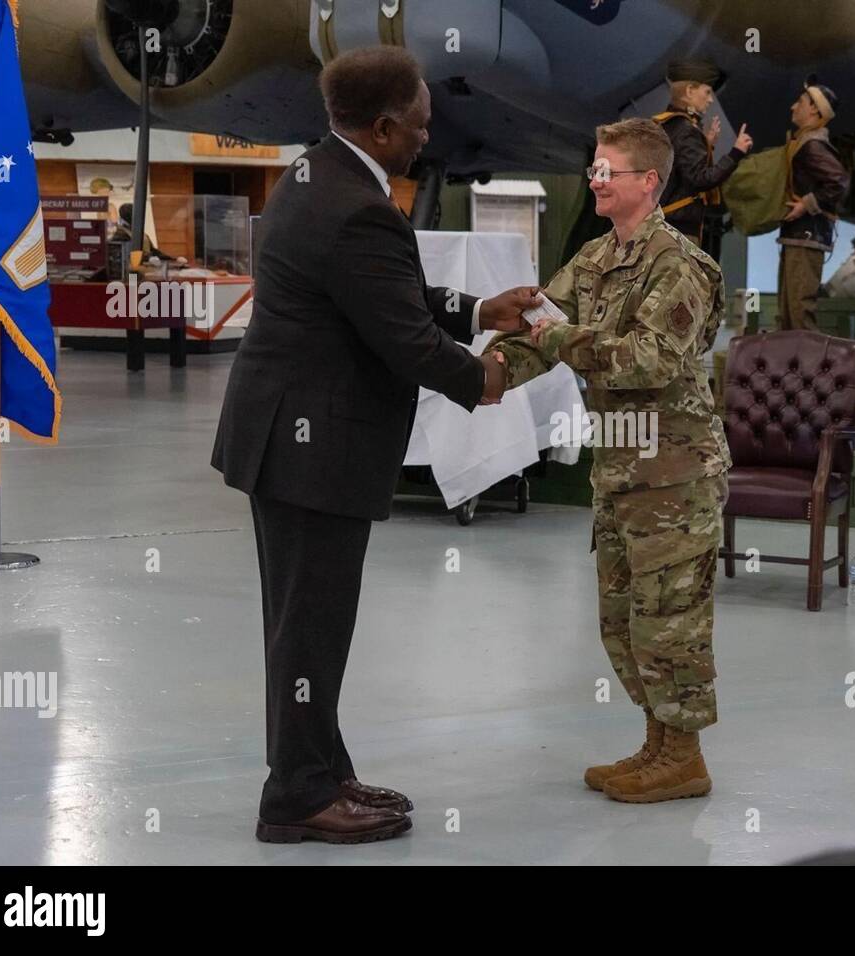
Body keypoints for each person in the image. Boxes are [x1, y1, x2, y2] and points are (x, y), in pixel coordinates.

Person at [210, 47, 539, 844]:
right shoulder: (358, 207)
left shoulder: (318, 175)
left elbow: (390, 291)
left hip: (286, 437)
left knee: (304, 621)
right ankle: (295, 796)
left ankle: (320, 767)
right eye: (421, 125)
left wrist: (478, 308)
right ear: (386, 126)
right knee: (310, 626)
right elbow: (405, 339)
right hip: (312, 448)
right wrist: (487, 379)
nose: (428, 137)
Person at [487, 118, 729, 803]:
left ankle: (684, 757)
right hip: (622, 470)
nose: (595, 181)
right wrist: (490, 370)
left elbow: (649, 360)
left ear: (646, 183)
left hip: (673, 475)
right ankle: (656, 744)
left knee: (671, 622)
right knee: (623, 619)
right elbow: (542, 323)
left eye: (606, 172)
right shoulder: (596, 258)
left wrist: (559, 336)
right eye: (593, 170)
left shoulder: (678, 264)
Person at [653, 58, 752, 254]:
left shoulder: (667, 125)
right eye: (707, 92)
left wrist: (707, 146)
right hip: (678, 233)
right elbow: (701, 179)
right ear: (689, 91)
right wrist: (736, 152)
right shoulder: (686, 130)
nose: (710, 99)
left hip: (663, 226)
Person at [776, 74, 849, 332]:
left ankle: (807, 369)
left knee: (799, 312)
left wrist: (806, 204)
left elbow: (839, 182)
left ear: (815, 110)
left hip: (808, 235)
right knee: (788, 312)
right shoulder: (803, 143)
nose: (793, 107)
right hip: (799, 236)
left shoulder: (813, 146)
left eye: (800, 102)